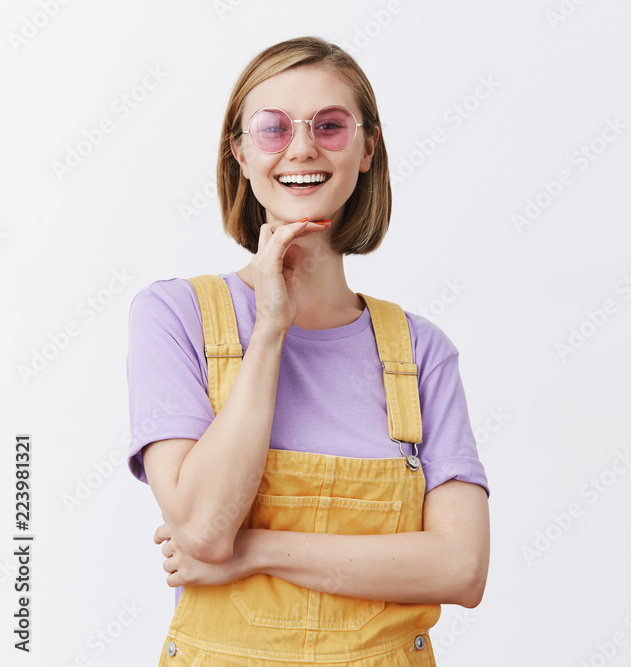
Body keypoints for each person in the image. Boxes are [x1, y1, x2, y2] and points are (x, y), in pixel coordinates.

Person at [125, 36, 490, 665]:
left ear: (367, 149)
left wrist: (259, 550)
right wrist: (269, 328)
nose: (301, 149)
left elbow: (461, 569)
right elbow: (205, 530)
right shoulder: (174, 316)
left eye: (330, 126)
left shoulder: (421, 352)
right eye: (272, 129)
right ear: (238, 153)